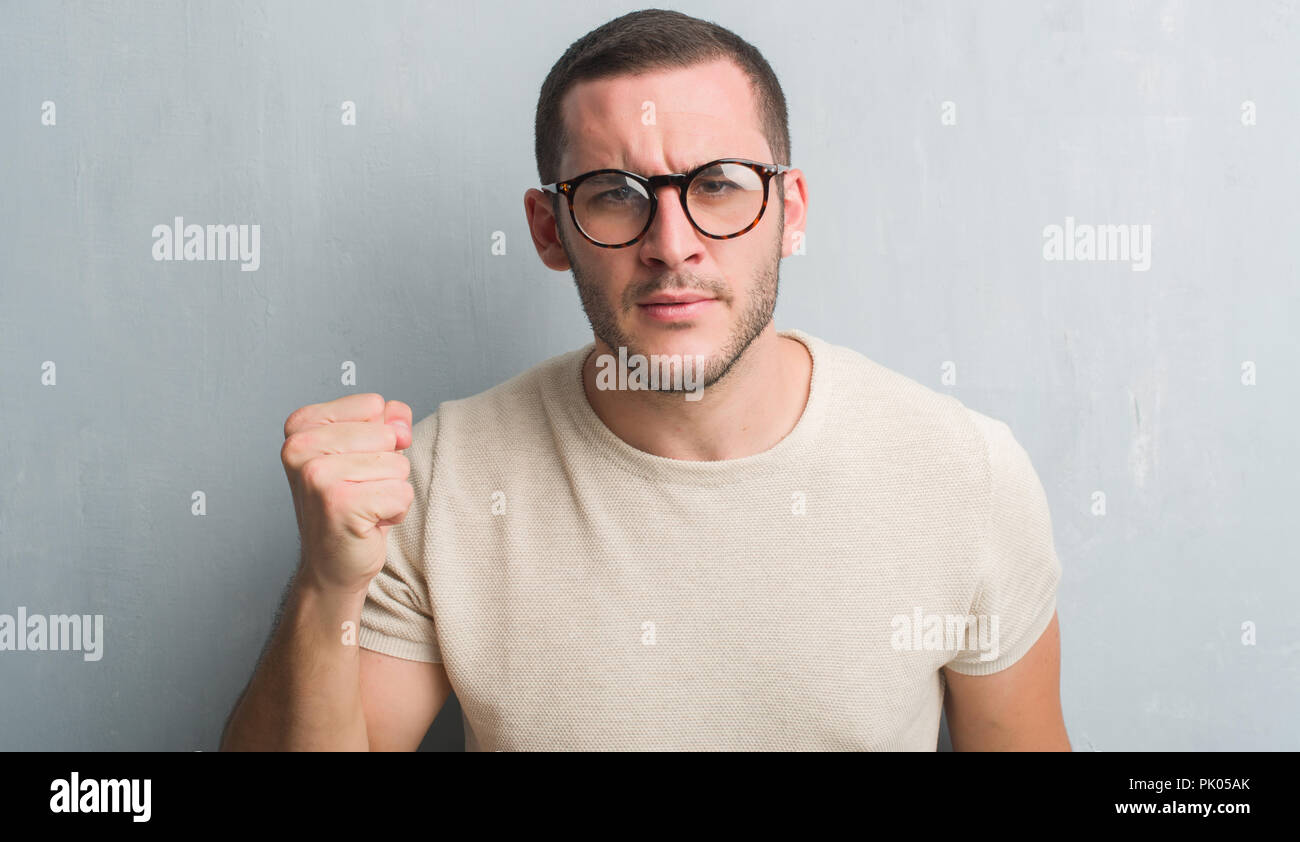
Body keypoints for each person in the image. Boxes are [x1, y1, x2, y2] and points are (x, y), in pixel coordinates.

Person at [221, 8, 1069, 751]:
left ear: (791, 212)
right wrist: (326, 584)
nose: (672, 243)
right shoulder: (436, 484)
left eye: (719, 186)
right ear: (550, 230)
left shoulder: (963, 474)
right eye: (616, 195)